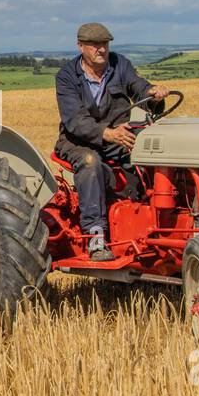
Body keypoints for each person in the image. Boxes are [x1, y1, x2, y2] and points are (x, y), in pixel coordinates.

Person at [54, 22, 168, 261]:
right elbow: (75, 121)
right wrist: (107, 133)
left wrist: (152, 93)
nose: (101, 50)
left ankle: (154, 223)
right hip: (78, 140)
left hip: (117, 137)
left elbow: (138, 86)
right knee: (90, 162)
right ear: (81, 46)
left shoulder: (119, 65)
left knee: (151, 152)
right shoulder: (66, 77)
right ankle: (96, 237)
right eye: (95, 45)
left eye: (104, 44)